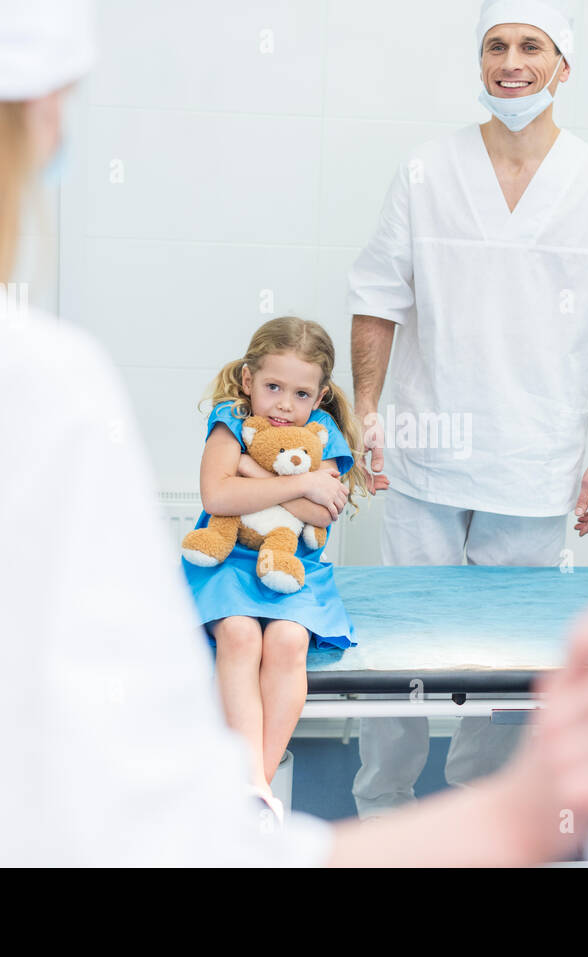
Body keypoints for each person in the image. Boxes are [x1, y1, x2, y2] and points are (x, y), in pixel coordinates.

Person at [0, 0, 588, 866]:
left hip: (529, 461)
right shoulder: (26, 387)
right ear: (30, 105)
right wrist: (514, 823)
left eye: (530, 47)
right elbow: (146, 834)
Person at [349, 0, 588, 816]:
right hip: (423, 449)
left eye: (530, 46)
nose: (512, 62)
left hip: (534, 457)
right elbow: (376, 294)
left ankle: (485, 813)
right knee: (391, 648)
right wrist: (368, 407)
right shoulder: (427, 169)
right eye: (496, 46)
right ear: (480, 63)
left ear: (562, 67)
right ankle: (383, 807)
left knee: (513, 664)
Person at [181, 317, 367, 820]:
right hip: (225, 559)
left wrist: (250, 470)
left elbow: (320, 511)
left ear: (321, 395)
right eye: (273, 387)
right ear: (248, 381)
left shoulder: (322, 431)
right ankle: (256, 784)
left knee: (287, 640)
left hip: (293, 564)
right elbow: (217, 495)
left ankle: (252, 787)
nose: (286, 404)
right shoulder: (230, 419)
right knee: (239, 635)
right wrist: (297, 483)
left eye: (302, 393)